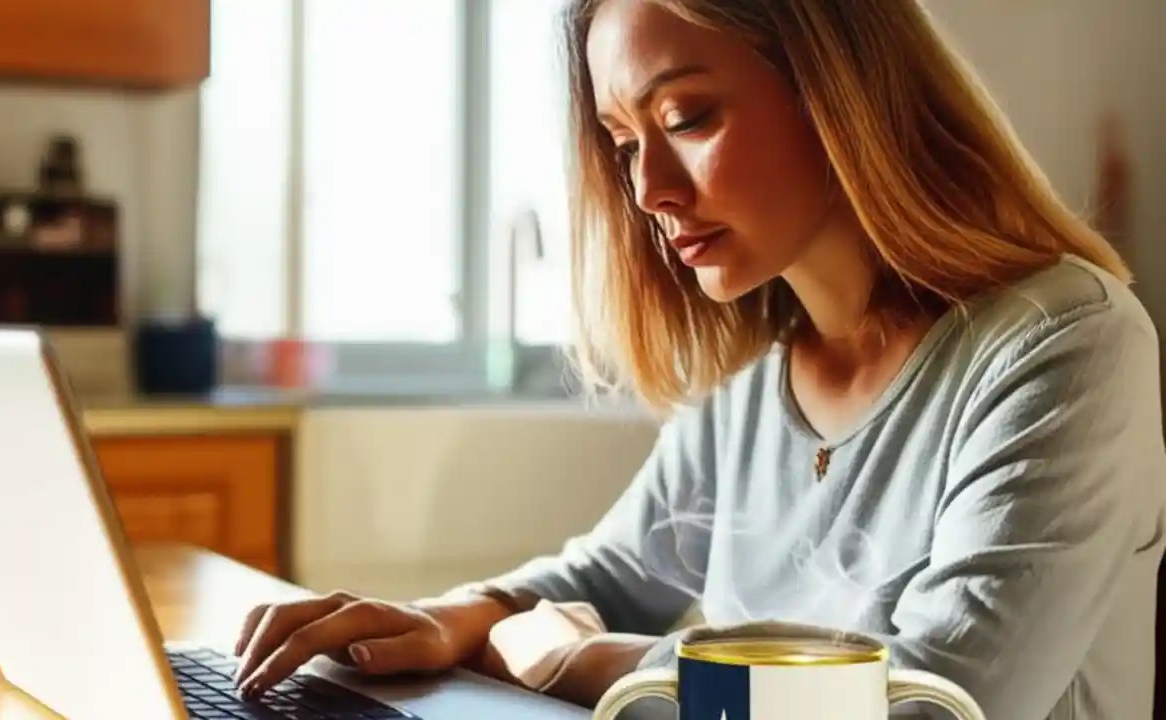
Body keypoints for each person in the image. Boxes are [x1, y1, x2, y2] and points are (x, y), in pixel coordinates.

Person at [232, 1, 1166, 718]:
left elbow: (931, 704)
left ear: (842, 90)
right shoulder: (753, 383)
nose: (648, 189)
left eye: (686, 117)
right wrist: (450, 618)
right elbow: (608, 573)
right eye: (624, 142)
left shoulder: (1068, 346)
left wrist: (594, 665)